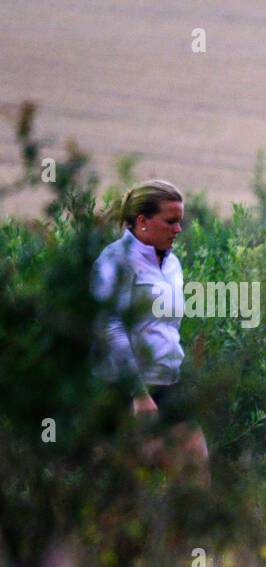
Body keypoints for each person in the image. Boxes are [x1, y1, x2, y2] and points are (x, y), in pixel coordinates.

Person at [92, 179, 208, 478]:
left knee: (196, 470)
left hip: (170, 383)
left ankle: (189, 526)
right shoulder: (115, 261)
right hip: (127, 389)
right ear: (142, 221)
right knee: (131, 481)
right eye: (171, 222)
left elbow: (168, 327)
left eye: (180, 222)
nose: (178, 230)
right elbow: (110, 327)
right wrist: (138, 393)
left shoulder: (173, 265)